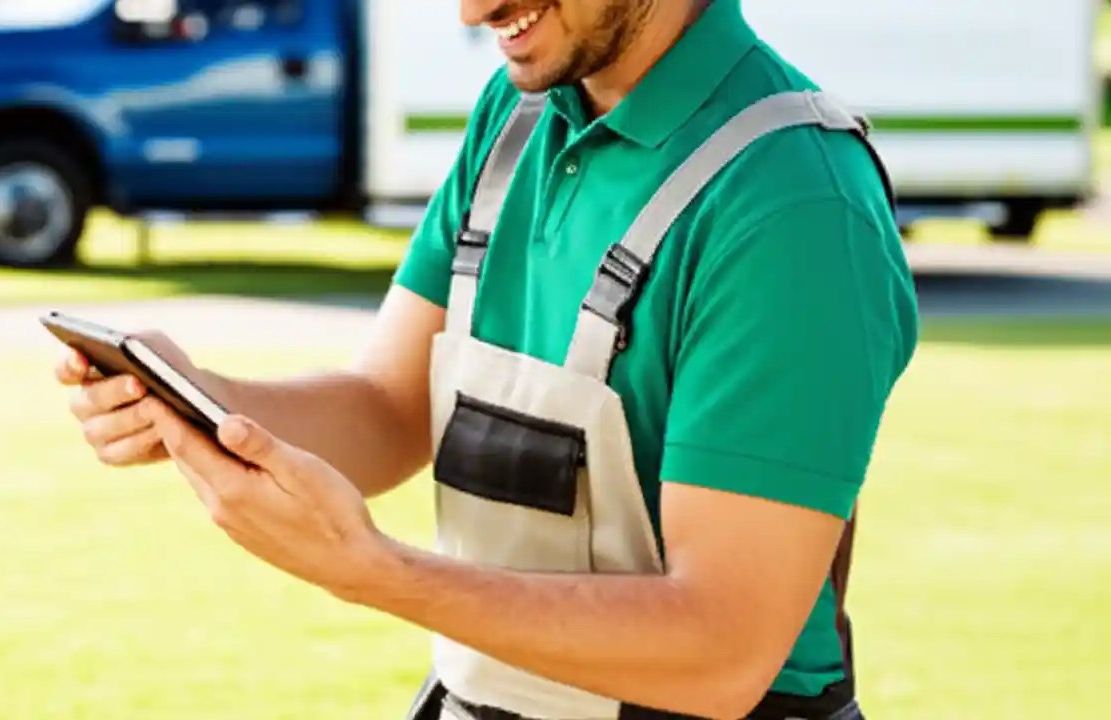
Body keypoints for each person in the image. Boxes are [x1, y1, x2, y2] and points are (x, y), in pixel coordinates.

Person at [56, 0, 919, 717]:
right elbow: (389, 407)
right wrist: (199, 400)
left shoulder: (795, 203)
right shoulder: (517, 119)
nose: (473, 12)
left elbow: (721, 650)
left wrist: (376, 574)